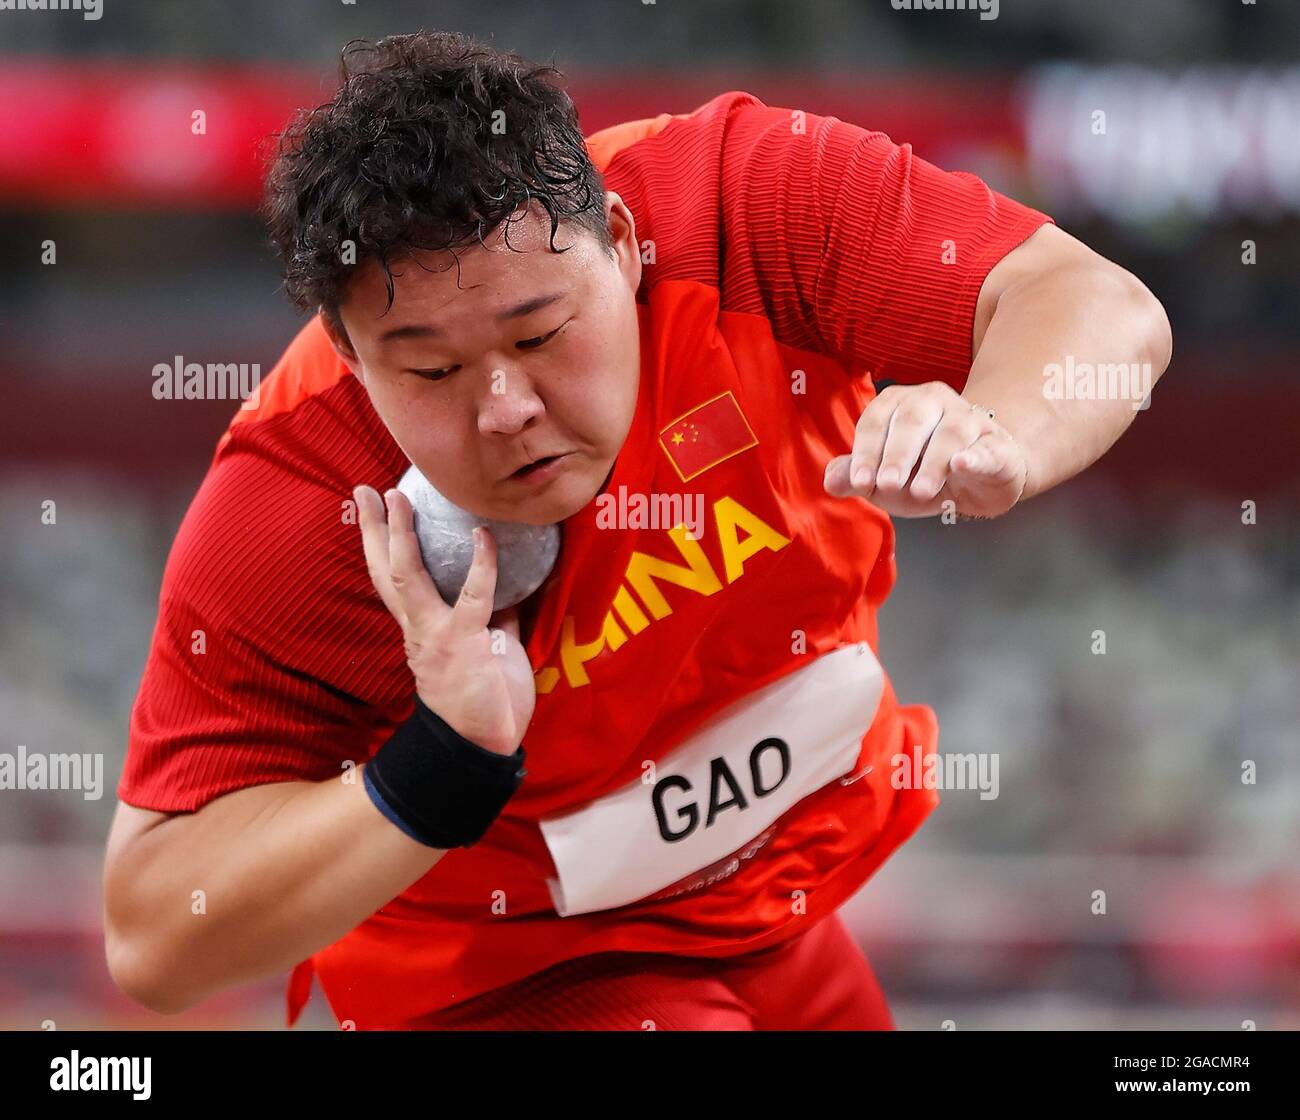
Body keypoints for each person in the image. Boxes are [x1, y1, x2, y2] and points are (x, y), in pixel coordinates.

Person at [103, 30, 1171, 1030]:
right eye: (430, 370)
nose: (504, 406)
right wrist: (439, 762)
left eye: (540, 331)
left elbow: (1095, 303)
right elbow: (153, 935)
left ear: (620, 242)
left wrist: (1002, 429)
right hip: (514, 974)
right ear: (345, 348)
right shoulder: (297, 498)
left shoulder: (749, 200)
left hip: (781, 903)